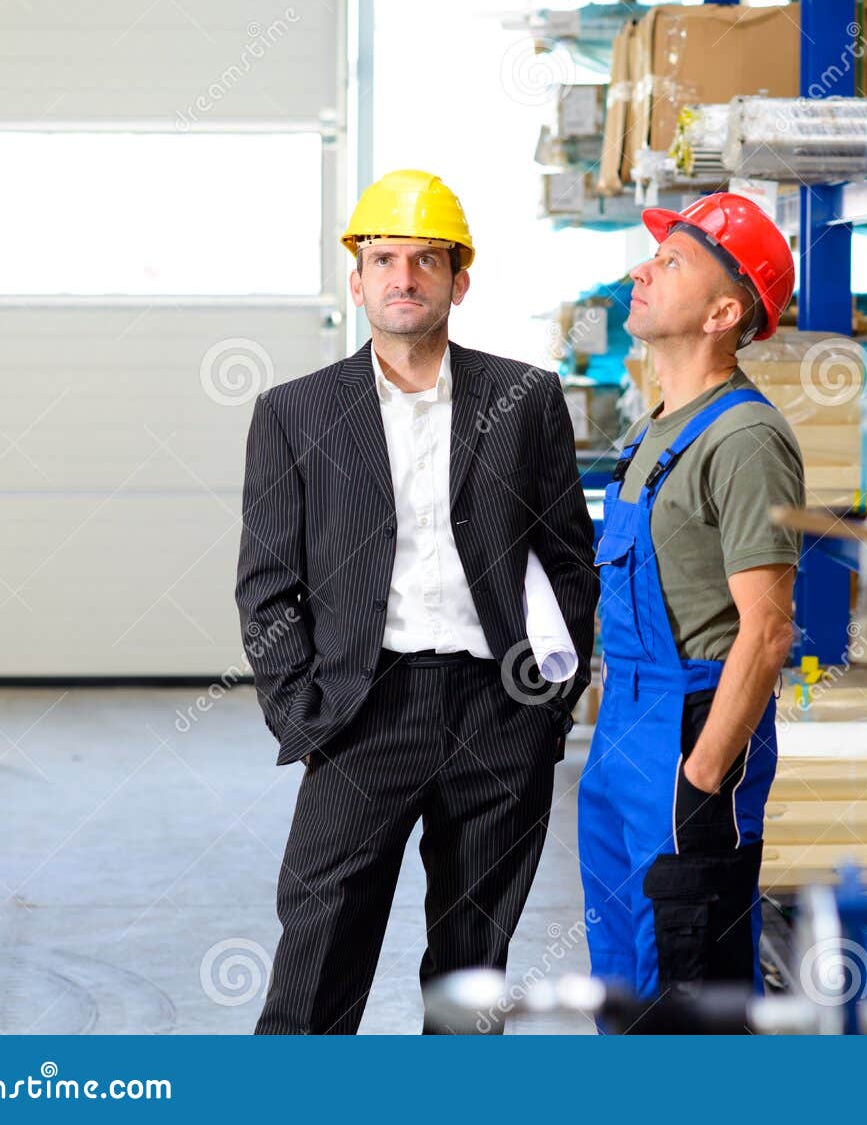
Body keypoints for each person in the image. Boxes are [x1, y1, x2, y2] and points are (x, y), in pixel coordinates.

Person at [236, 169, 597, 1033]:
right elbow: (267, 585)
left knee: (472, 970)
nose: (404, 277)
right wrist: (307, 715)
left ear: (458, 281)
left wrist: (545, 710)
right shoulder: (295, 413)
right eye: (384, 258)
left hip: (496, 710)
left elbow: (571, 561)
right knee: (319, 947)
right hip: (363, 710)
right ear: (356, 280)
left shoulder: (525, 399)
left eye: (426, 260)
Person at [578, 192, 802, 1008]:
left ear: (723, 311)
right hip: (625, 730)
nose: (643, 268)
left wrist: (704, 772)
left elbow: (769, 629)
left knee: (687, 978)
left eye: (671, 261)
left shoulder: (743, 438)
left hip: (687, 728)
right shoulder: (658, 429)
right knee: (623, 969)